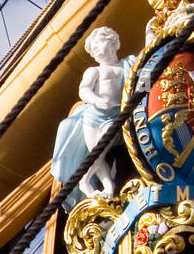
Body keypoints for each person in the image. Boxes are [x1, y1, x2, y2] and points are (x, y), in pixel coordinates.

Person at [51, 26, 134, 199]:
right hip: (94, 117)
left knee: (101, 149)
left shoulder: (127, 64)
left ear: (112, 42)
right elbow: (84, 90)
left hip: (116, 116)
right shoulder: (95, 71)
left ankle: (89, 181)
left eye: (98, 45)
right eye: (93, 50)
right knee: (98, 153)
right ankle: (104, 186)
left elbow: (143, 79)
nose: (96, 52)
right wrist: (97, 100)